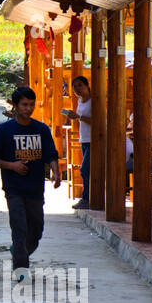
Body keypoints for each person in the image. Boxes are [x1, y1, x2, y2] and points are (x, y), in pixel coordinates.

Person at [0, 85, 61, 280]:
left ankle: (19, 251)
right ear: (15, 106)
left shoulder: (41, 129)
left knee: (36, 231)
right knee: (19, 228)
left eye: (31, 105)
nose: (29, 109)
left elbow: (51, 153)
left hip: (35, 188)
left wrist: (55, 171)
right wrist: (12, 166)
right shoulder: (4, 130)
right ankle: (21, 269)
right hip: (14, 188)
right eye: (25, 105)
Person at [62, 75, 91, 208]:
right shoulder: (80, 101)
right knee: (86, 169)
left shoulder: (93, 101)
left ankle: (87, 199)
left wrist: (79, 116)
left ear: (87, 85)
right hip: (84, 138)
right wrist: (75, 116)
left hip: (93, 140)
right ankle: (88, 198)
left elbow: (99, 120)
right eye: (75, 86)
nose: (77, 89)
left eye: (80, 85)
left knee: (85, 169)